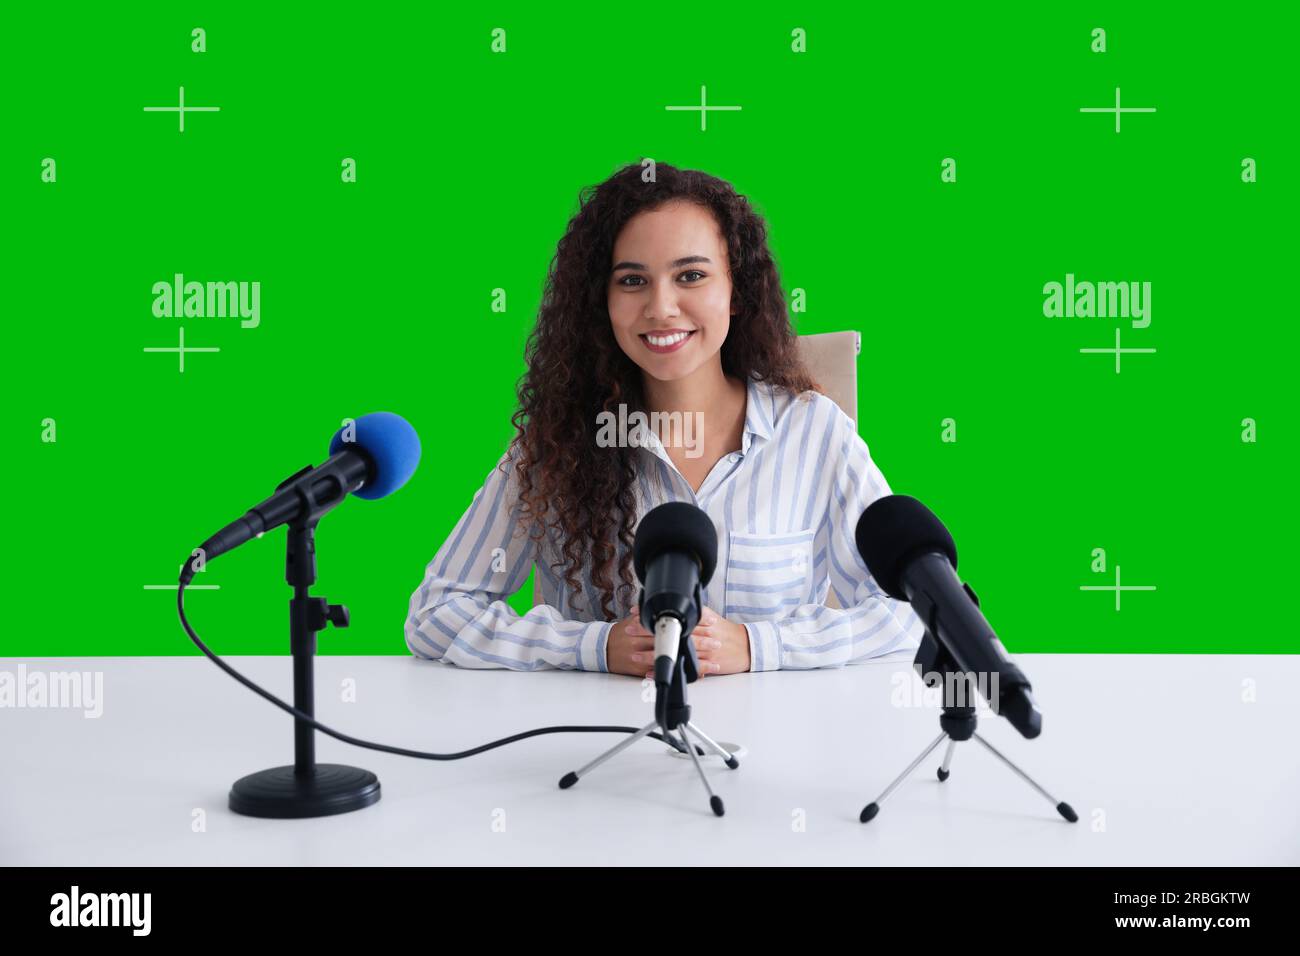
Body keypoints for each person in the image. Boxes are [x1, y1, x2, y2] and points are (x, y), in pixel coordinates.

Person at [405, 162, 924, 676]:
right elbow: (435, 613)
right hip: (595, 740)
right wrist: (593, 647)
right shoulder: (559, 441)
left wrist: (757, 646)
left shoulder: (815, 433)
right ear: (601, 302)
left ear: (737, 291)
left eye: (691, 276)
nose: (661, 307)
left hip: (773, 745)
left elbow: (909, 613)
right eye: (633, 281)